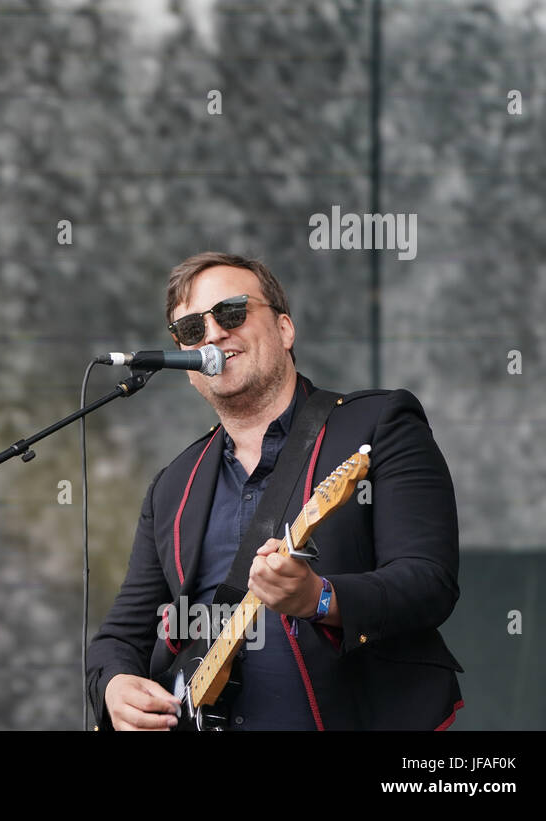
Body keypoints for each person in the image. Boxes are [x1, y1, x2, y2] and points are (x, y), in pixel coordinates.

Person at [86, 252, 463, 731]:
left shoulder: (378, 425)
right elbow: (121, 634)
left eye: (232, 312)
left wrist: (321, 599)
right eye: (191, 330)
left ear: (285, 330)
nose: (215, 334)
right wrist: (115, 686)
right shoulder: (172, 486)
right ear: (183, 360)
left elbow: (430, 583)